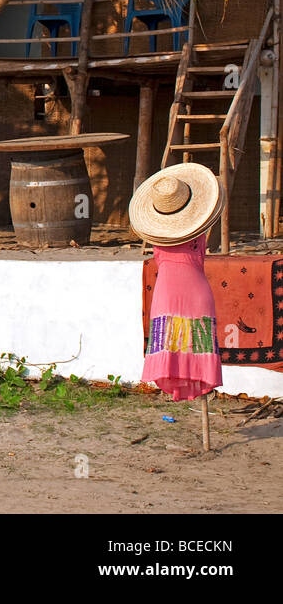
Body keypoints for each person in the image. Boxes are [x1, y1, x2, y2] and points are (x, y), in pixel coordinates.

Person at [129, 162, 225, 448]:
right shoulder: (199, 227)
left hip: (168, 291)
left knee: (174, 342)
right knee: (196, 342)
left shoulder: (157, 233)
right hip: (194, 289)